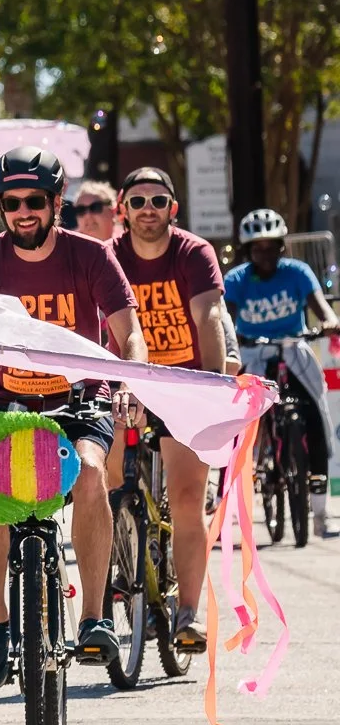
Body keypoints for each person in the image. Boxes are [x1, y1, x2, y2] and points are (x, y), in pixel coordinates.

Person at [0, 145, 145, 683]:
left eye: (35, 200)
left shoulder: (90, 257)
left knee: (90, 474)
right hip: (4, 402)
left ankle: (93, 617)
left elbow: (128, 332)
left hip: (81, 398)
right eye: (10, 202)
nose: (23, 212)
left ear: (57, 201)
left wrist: (130, 380)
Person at [107, 166, 227, 645]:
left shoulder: (194, 253)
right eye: (138, 202)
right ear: (123, 210)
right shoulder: (109, 256)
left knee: (185, 502)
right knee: (108, 485)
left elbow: (209, 314)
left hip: (183, 384)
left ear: (173, 209)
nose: (148, 210)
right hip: (126, 386)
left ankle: (189, 612)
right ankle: (122, 565)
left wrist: (212, 385)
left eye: (158, 201)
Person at [225, 208, 340, 535]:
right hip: (254, 353)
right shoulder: (236, 280)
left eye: (271, 246)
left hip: (294, 349)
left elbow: (322, 307)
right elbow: (228, 319)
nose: (265, 254)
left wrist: (329, 323)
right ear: (248, 252)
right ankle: (236, 490)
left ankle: (319, 509)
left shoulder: (298, 272)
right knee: (239, 424)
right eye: (257, 248)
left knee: (315, 416)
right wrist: (233, 335)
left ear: (281, 247)